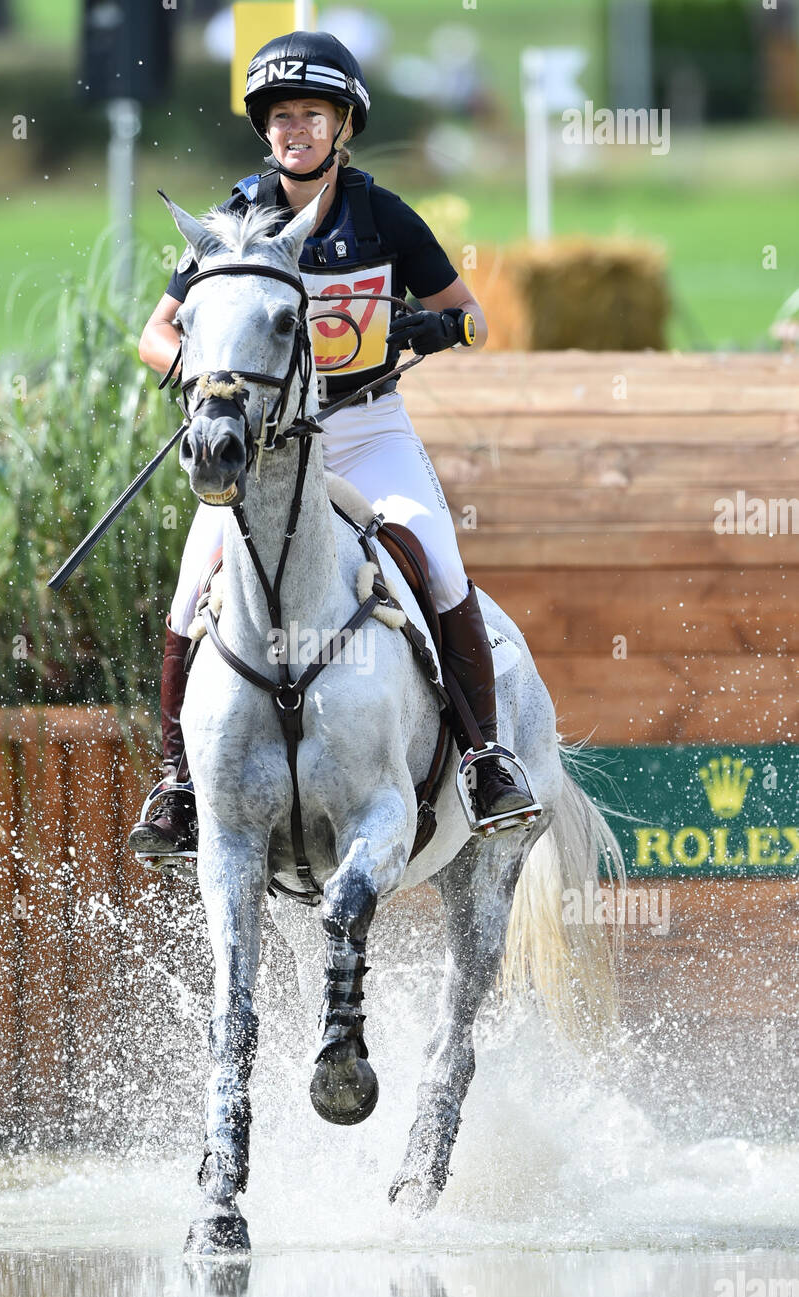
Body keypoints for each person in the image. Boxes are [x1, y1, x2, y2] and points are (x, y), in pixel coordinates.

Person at [129, 30, 537, 863]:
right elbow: (154, 336)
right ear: (264, 128)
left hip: (364, 430)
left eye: (312, 115)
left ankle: (485, 758)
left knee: (436, 559)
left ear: (343, 125)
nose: (295, 130)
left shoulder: (383, 216)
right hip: (266, 448)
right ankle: (176, 784)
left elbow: (473, 316)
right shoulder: (234, 223)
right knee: (190, 587)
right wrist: (206, 385)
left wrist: (434, 327)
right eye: (281, 116)